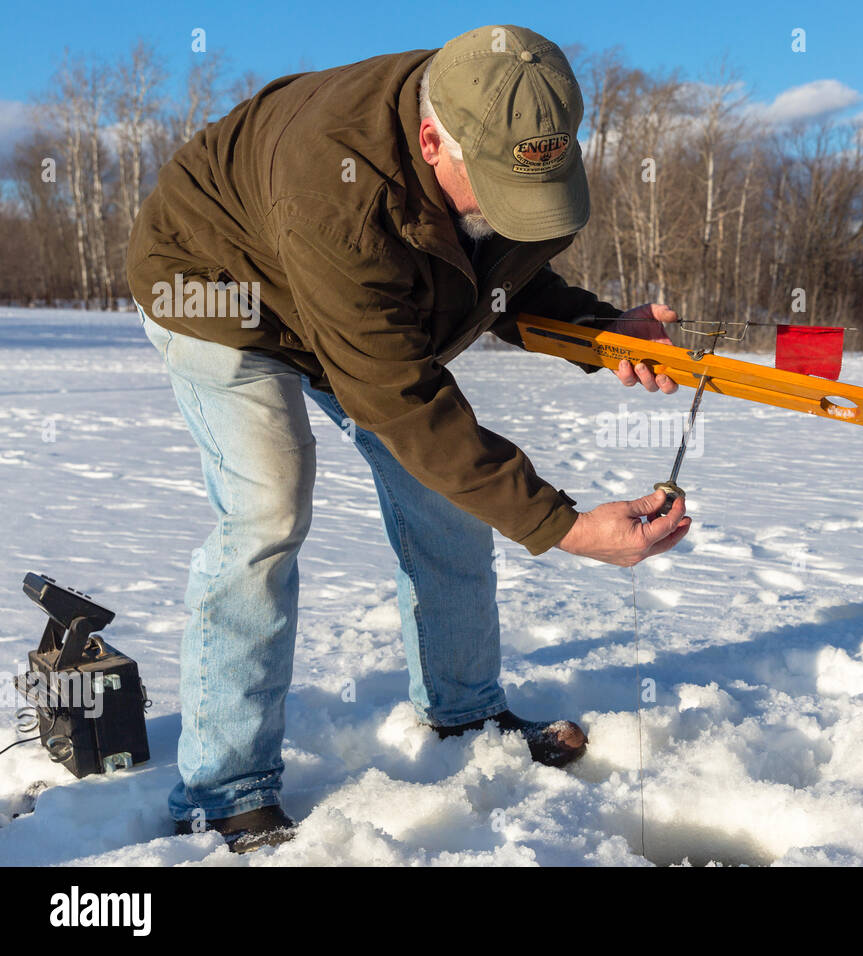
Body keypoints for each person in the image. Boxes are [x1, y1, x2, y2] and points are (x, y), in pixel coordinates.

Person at [126, 24, 692, 853]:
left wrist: (600, 329)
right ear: (432, 139)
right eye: (494, 190)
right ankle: (223, 789)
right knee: (267, 513)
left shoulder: (515, 139)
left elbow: (497, 282)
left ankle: (466, 714)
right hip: (220, 293)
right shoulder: (334, 186)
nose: (514, 212)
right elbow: (397, 393)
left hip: (355, 303)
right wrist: (564, 526)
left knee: (450, 497)